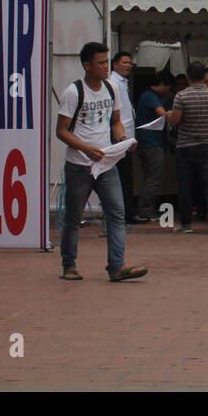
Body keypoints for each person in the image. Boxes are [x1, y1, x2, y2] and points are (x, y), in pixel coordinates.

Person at [56, 42, 146, 282]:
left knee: (117, 214)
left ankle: (117, 266)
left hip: (106, 164)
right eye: (101, 63)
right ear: (87, 66)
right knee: (73, 218)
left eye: (107, 62)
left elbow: (115, 121)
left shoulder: (111, 88)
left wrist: (123, 139)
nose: (106, 67)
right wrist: (86, 149)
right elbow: (61, 131)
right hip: (79, 165)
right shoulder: (73, 92)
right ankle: (69, 264)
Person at [167, 60, 208, 234]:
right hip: (206, 144)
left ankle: (186, 224)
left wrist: (169, 116)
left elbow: (175, 120)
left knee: (185, 184)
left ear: (188, 77)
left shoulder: (181, 96)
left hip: (185, 145)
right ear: (204, 76)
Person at [134, 71, 173, 221]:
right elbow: (162, 114)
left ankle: (147, 208)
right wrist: (176, 114)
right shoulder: (150, 96)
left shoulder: (147, 95)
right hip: (151, 143)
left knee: (150, 177)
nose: (168, 92)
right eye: (168, 88)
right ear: (162, 85)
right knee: (153, 178)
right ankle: (145, 210)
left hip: (147, 142)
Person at [110, 52, 142, 224]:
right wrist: (124, 138)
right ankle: (124, 214)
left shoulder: (122, 82)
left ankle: (126, 212)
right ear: (115, 64)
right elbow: (118, 116)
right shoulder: (113, 82)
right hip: (121, 137)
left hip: (126, 136)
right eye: (125, 62)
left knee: (127, 177)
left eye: (130, 62)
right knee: (123, 177)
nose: (128, 65)